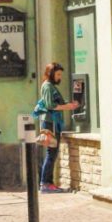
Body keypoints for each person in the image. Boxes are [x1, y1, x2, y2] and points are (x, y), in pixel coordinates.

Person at [34, 62, 79, 193]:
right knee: (51, 153)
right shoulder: (48, 86)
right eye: (58, 74)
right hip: (50, 124)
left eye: (60, 74)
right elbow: (50, 105)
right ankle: (45, 183)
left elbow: (56, 103)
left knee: (51, 153)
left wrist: (70, 104)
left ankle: (47, 183)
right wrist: (67, 107)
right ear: (51, 73)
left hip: (53, 123)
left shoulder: (51, 86)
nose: (60, 77)